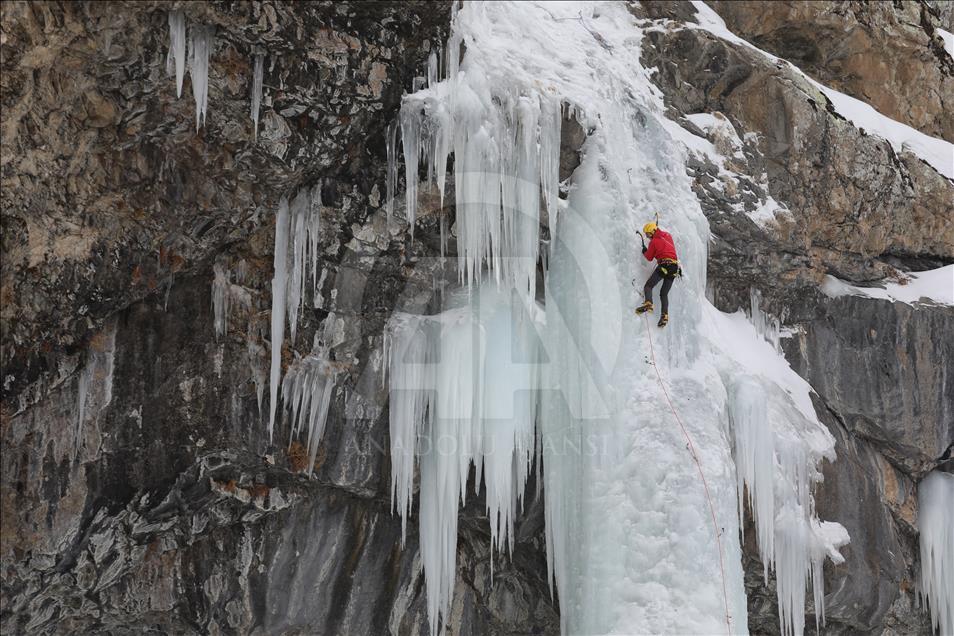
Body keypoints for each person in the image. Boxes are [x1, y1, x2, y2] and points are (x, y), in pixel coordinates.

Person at [635, 221, 680, 327]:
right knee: (664, 294)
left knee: (648, 286)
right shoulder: (668, 235)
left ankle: (648, 303)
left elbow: (649, 257)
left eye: (648, 234)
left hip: (664, 265)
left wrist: (645, 251)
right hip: (674, 268)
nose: (648, 237)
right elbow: (666, 250)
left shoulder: (653, 242)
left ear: (652, 231)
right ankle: (664, 316)